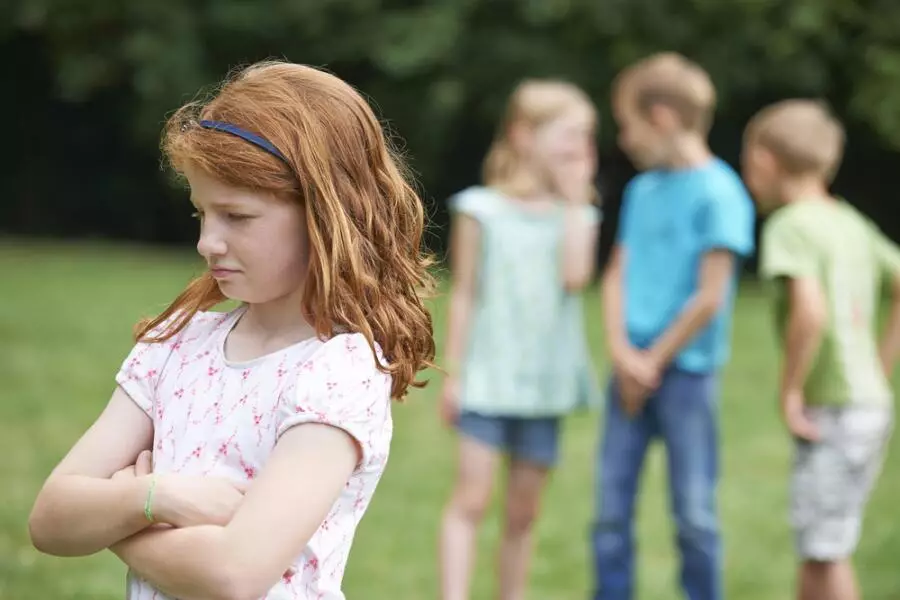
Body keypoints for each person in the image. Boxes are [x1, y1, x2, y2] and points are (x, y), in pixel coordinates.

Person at [27, 60, 436, 600]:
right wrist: (158, 498)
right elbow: (51, 519)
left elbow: (234, 575)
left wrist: (120, 522)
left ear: (325, 213)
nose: (207, 243)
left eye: (237, 217)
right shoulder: (177, 345)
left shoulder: (338, 372)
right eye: (201, 214)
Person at [593, 52, 756, 600]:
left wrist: (651, 361)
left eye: (628, 124)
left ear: (661, 117)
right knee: (610, 512)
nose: (626, 138)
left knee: (695, 516)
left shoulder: (721, 193)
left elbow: (709, 297)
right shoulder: (643, 191)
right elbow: (616, 272)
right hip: (629, 370)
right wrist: (622, 353)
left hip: (685, 375)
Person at [438, 79, 602, 600]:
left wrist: (576, 203)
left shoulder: (581, 217)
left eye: (587, 137)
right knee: (471, 500)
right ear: (523, 135)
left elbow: (576, 277)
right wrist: (454, 372)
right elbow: (464, 294)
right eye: (569, 134)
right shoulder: (480, 209)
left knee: (523, 513)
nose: (581, 147)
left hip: (544, 387)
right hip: (488, 379)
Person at [743, 99, 900, 600]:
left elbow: (809, 313)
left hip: (831, 409)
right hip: (870, 405)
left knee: (823, 552)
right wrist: (881, 366)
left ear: (765, 160)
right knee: (825, 544)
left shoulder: (789, 226)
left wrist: (790, 391)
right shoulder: (849, 222)